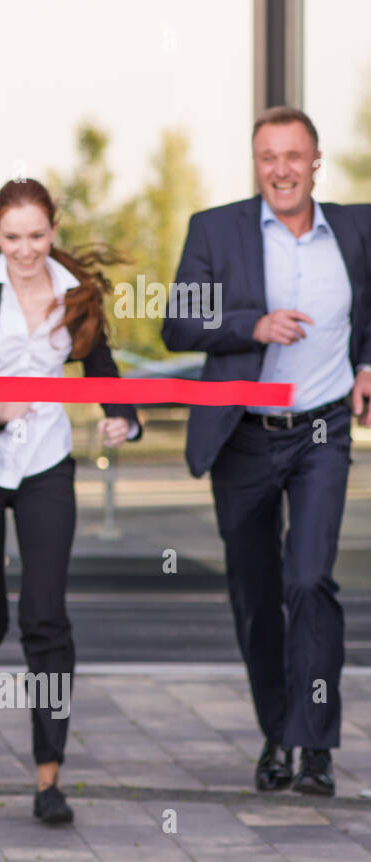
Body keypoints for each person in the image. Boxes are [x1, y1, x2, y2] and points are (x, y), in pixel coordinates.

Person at [162, 106, 371, 797]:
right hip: (243, 437)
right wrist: (253, 324)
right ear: (256, 165)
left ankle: (313, 746)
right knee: (256, 596)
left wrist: (368, 364)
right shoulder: (215, 230)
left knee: (308, 580)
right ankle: (277, 732)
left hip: (321, 434)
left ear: (317, 162)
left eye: (293, 155)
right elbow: (178, 325)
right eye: (267, 156)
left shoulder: (357, 227)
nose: (281, 169)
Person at [0, 178, 141, 825]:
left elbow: (102, 369)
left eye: (36, 236)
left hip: (45, 462)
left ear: (53, 232)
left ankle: (50, 779)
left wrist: (122, 418)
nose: (23, 249)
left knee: (46, 618)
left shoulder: (76, 295)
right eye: (11, 237)